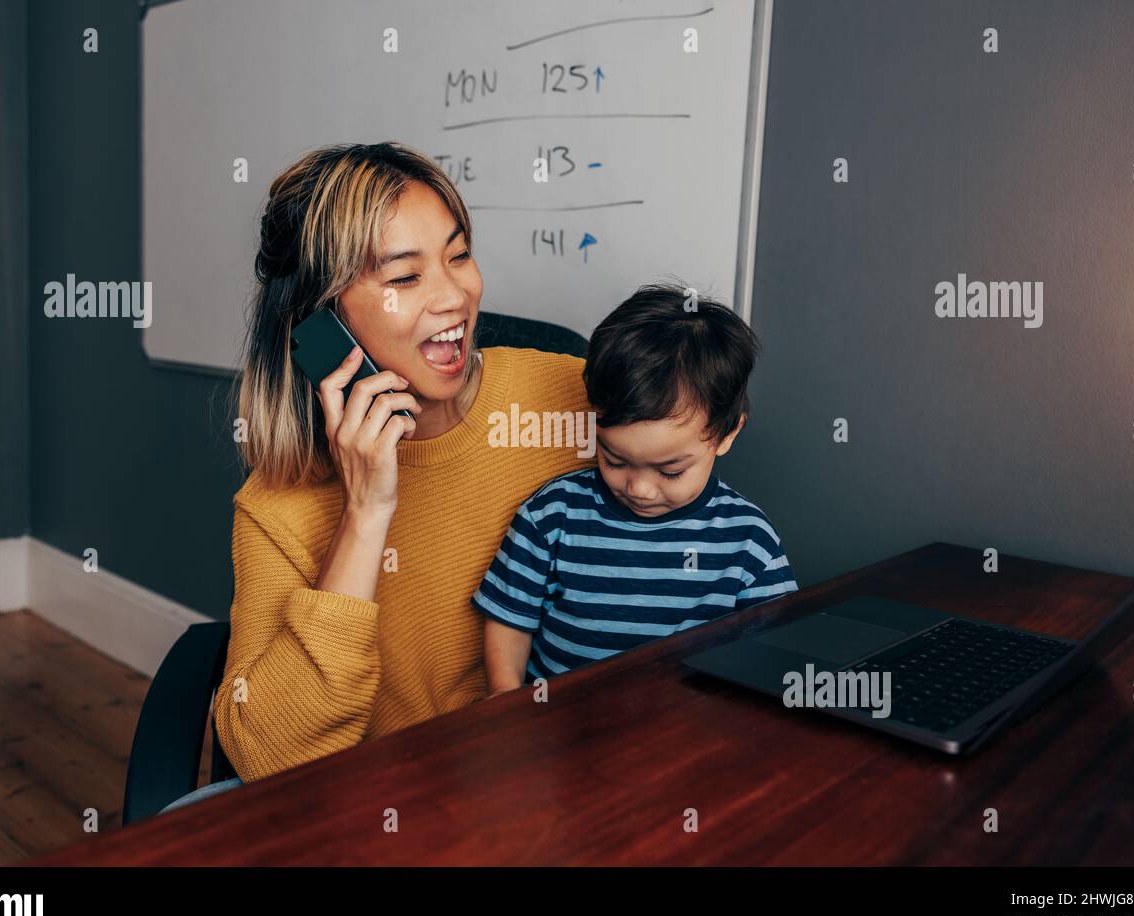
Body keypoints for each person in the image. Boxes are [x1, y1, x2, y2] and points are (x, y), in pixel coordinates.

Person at [177, 143, 594, 806]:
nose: (455, 295)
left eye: (458, 255)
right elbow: (270, 758)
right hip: (385, 811)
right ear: (322, 326)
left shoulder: (573, 398)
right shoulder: (278, 503)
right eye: (404, 277)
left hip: (555, 784)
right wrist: (366, 513)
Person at [473, 284, 798, 694]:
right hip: (559, 732)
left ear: (727, 434)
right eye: (615, 460)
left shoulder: (749, 540)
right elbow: (509, 619)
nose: (640, 489)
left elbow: (774, 648)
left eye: (671, 471)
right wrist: (506, 702)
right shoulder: (552, 515)